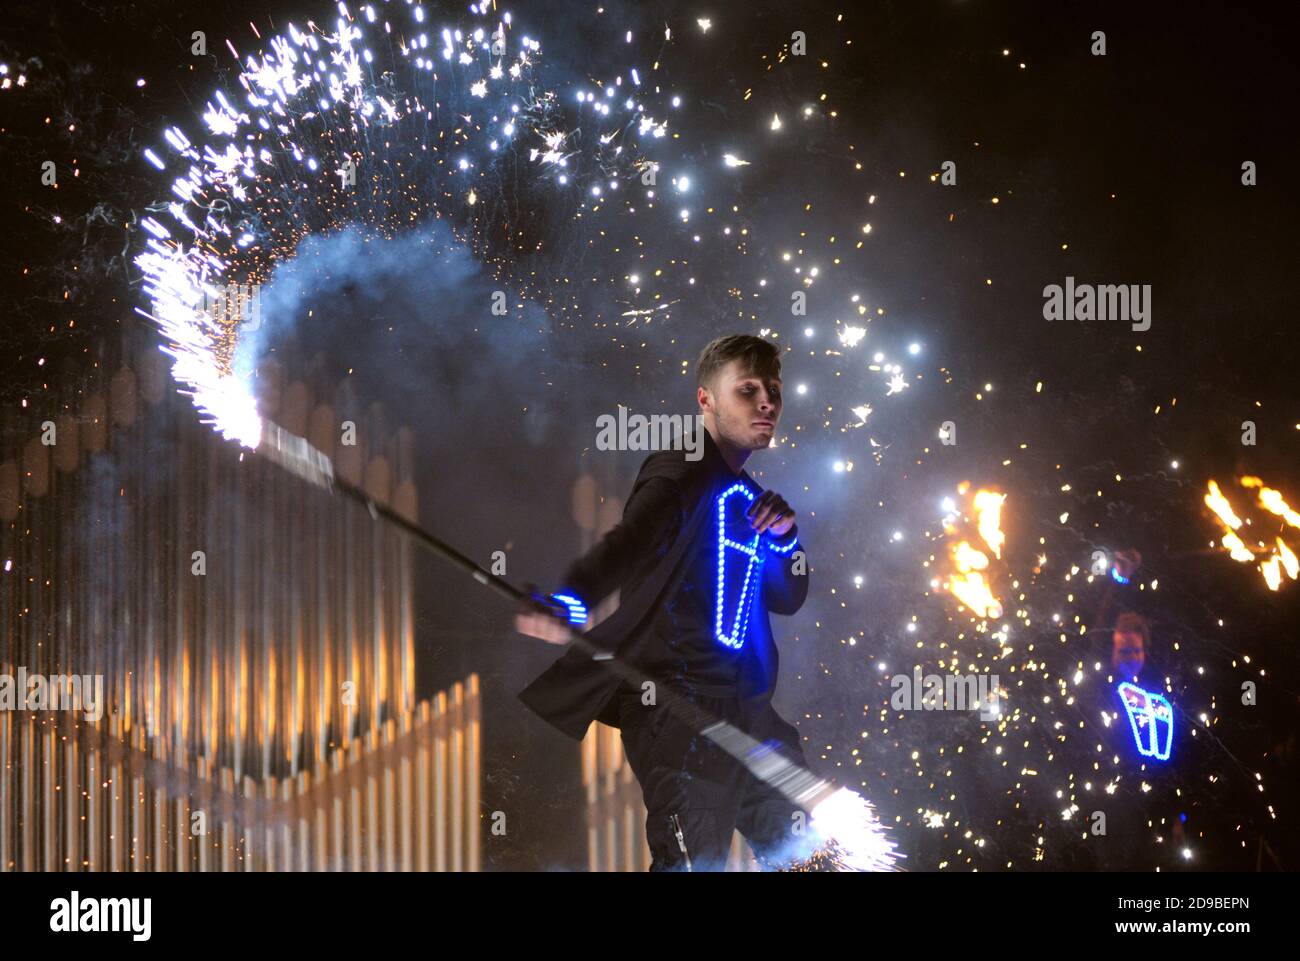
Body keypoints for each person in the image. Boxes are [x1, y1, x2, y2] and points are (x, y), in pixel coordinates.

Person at [515, 334, 813, 870]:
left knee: (811, 853)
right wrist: (573, 596)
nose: (767, 401)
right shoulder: (682, 470)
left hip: (749, 718)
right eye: (747, 389)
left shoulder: (749, 495)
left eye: (773, 389)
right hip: (678, 712)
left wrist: (787, 537)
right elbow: (630, 540)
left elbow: (788, 595)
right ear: (706, 400)